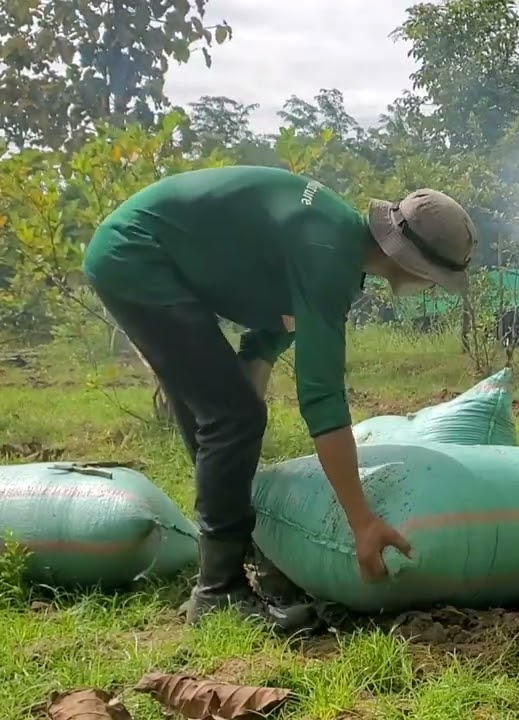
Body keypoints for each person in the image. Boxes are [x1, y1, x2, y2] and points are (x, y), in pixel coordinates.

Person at [81, 165, 478, 630]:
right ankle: (219, 593)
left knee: (225, 417)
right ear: (412, 262)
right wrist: (362, 520)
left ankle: (229, 565)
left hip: (141, 255)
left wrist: (238, 431)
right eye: (435, 278)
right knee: (231, 419)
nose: (431, 287)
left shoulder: (336, 247)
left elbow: (266, 339)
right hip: (136, 258)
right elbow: (323, 400)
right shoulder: (328, 254)